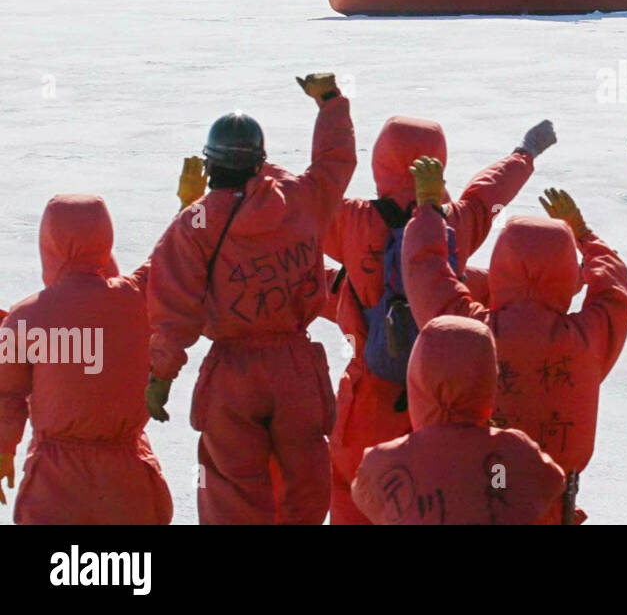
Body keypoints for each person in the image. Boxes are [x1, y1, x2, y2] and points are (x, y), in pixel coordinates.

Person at [145, 72, 356, 525]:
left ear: (209, 166)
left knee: (231, 490)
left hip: (233, 375)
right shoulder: (300, 199)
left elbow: (174, 308)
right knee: (304, 482)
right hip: (296, 368)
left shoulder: (195, 224)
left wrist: (160, 377)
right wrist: (331, 102)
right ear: (260, 162)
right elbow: (336, 162)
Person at [322, 115, 553, 525]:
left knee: (351, 500)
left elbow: (299, 205)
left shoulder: (351, 220)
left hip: (367, 403)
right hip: (440, 412)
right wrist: (526, 153)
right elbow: (489, 196)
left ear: (380, 162)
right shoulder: (454, 224)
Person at [401, 161, 627, 522]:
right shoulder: (588, 338)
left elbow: (426, 272)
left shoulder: (467, 331)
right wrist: (584, 234)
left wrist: (429, 209)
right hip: (551, 508)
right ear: (567, 274)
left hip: (469, 504)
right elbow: (616, 290)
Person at [0, 193, 179, 524]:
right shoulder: (138, 298)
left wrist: (4, 448)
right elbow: (168, 259)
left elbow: (7, 395)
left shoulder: (24, 318)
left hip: (53, 484)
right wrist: (190, 207)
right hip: (127, 480)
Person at [351, 316, 566, 525]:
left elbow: (365, 498)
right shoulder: (508, 454)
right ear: (488, 377)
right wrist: (495, 489)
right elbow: (551, 483)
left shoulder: (384, 461)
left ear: (417, 377)